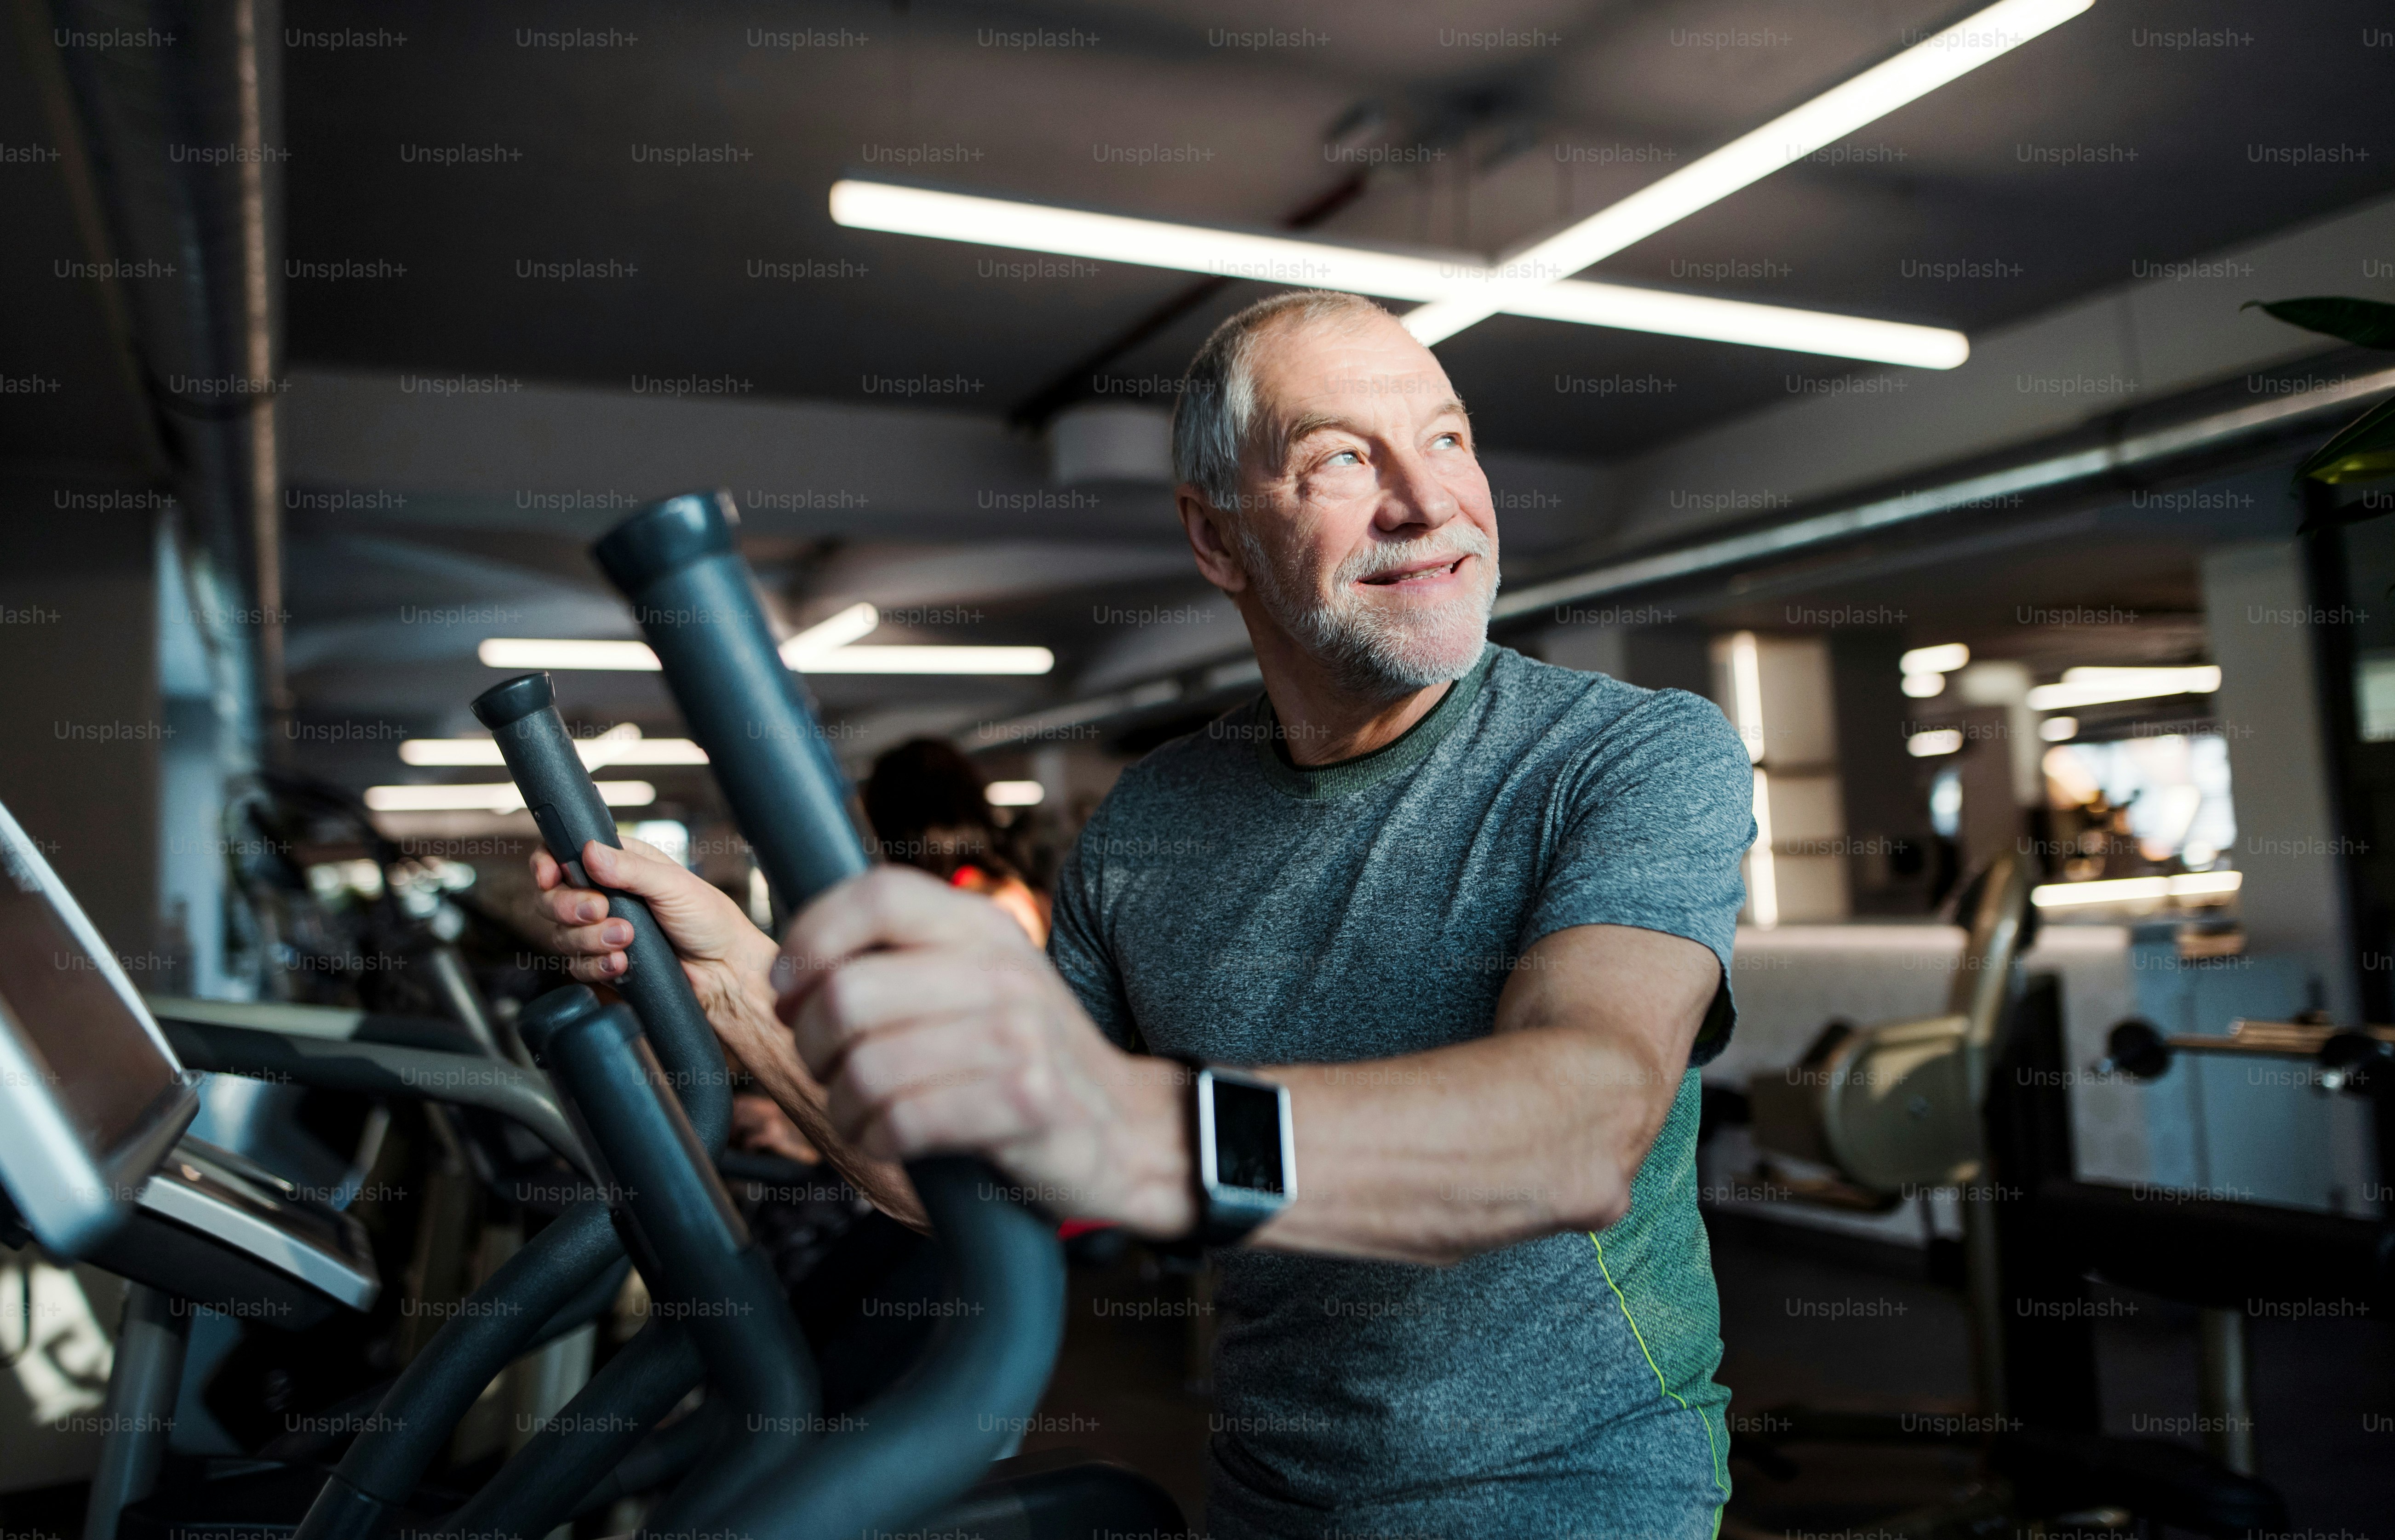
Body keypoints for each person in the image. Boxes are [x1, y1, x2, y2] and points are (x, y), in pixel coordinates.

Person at [530, 289, 1755, 1539]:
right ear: (1217, 541)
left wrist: (1120, 1121)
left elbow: (1582, 1128)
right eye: (1342, 458)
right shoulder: (1149, 825)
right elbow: (977, 1176)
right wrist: (735, 979)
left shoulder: (1631, 757)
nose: (1429, 502)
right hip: (1266, 1501)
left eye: (1447, 439)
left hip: (1572, 1502)